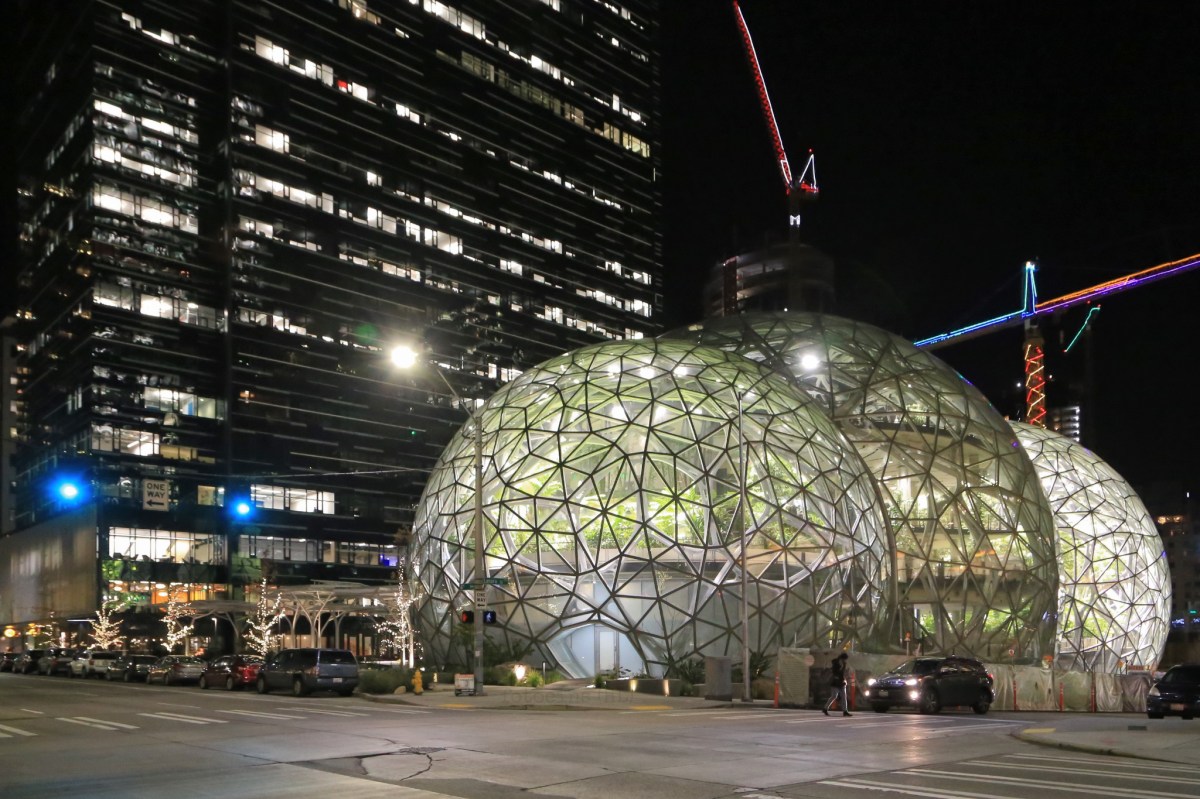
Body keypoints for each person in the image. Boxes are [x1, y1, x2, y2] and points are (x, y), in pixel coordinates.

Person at [823, 652, 851, 716]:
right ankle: (825, 708)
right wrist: (837, 677)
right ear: (842, 658)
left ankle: (845, 711)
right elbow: (834, 672)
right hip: (835, 682)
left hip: (841, 682)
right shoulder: (835, 662)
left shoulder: (844, 663)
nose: (845, 660)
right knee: (834, 696)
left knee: (844, 697)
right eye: (844, 659)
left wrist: (844, 679)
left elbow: (842, 673)